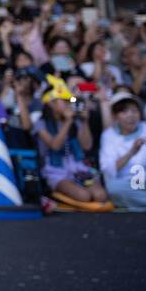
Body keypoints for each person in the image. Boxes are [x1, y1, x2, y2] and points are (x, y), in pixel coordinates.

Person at [30, 76, 106, 204]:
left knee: (100, 196)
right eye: (63, 100)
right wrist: (68, 122)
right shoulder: (40, 123)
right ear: (50, 102)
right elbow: (55, 146)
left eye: (68, 101)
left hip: (79, 169)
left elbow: (86, 146)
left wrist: (85, 121)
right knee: (84, 196)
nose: (68, 104)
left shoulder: (76, 120)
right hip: (56, 171)